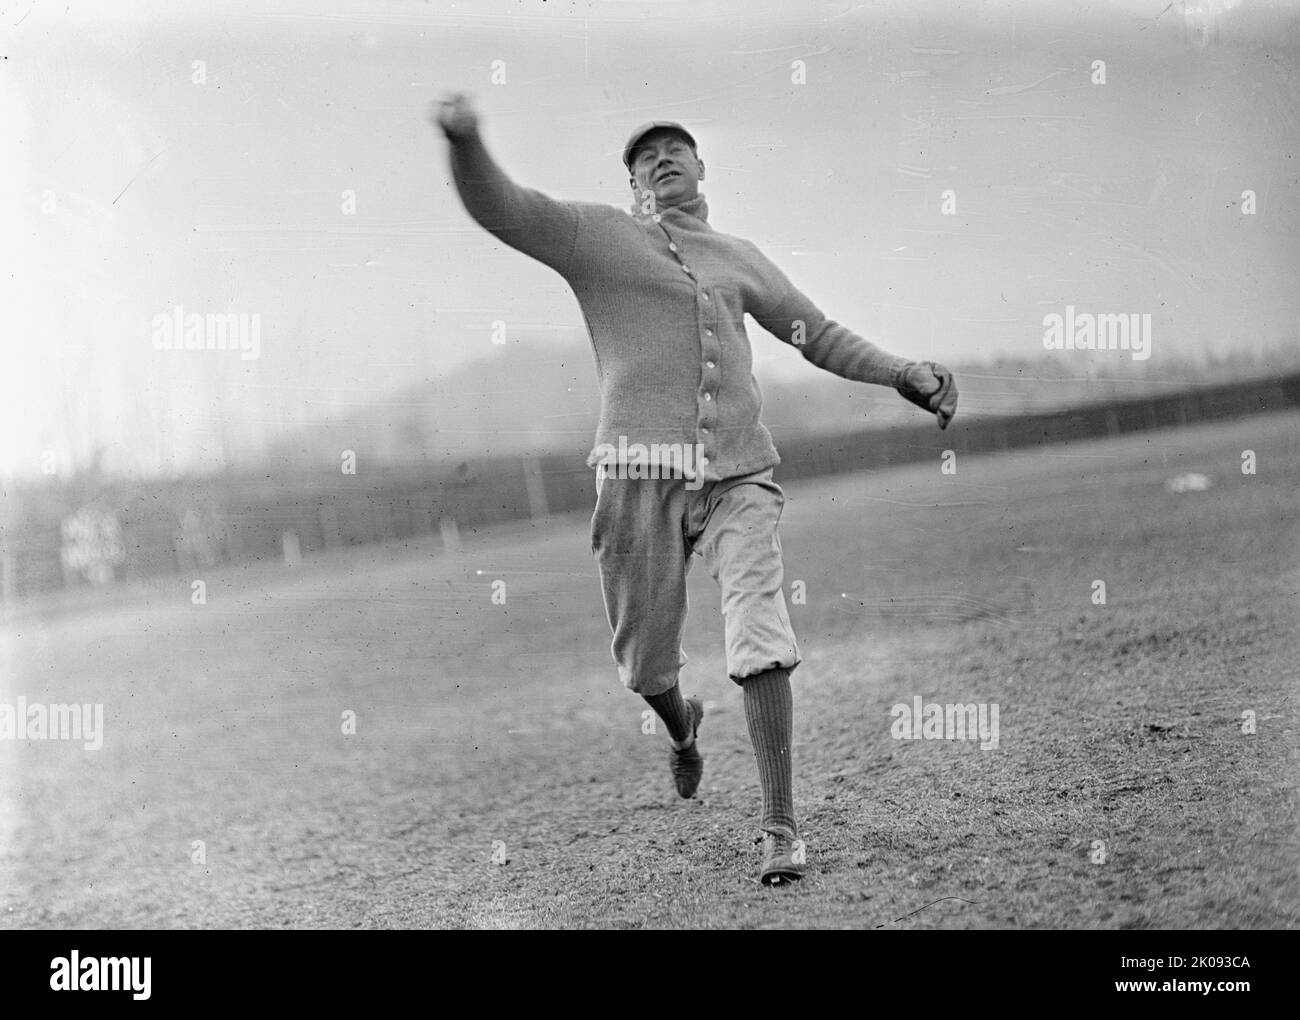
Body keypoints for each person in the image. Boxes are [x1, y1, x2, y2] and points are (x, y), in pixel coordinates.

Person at [433, 94, 957, 885]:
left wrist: (903, 373)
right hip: (637, 483)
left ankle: (781, 828)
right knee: (647, 668)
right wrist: (466, 139)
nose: (662, 158)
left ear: (702, 168)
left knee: (760, 630)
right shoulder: (598, 238)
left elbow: (820, 334)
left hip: (740, 473)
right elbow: (505, 208)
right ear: (633, 183)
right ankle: (683, 727)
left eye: (676, 147)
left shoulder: (740, 257)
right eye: (645, 156)